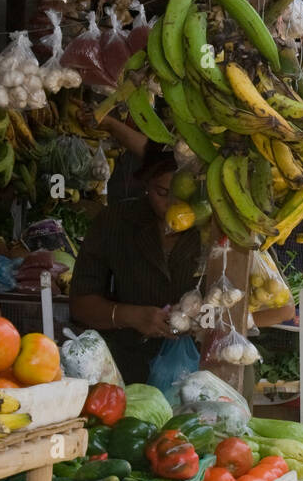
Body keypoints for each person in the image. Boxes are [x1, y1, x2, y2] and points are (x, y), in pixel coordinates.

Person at [70, 151, 204, 384]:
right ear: (145, 184)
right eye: (161, 192)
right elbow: (81, 304)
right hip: (130, 370)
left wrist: (205, 319)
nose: (172, 204)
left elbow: (277, 310)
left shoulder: (216, 226)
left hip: (207, 371)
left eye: (185, 196)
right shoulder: (116, 221)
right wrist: (131, 316)